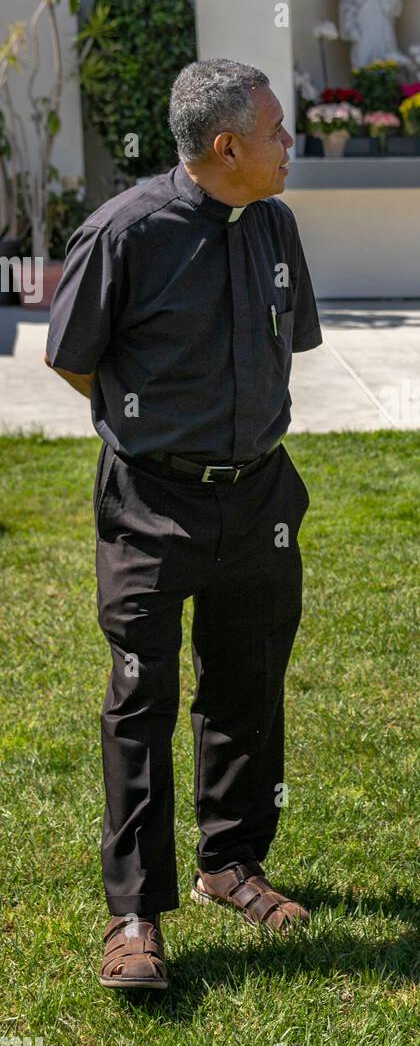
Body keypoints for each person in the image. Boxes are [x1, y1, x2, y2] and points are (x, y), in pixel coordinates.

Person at [44, 59, 322, 989]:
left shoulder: (277, 224)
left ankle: (231, 866)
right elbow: (75, 359)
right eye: (280, 131)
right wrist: (151, 431)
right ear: (227, 145)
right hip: (150, 505)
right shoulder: (124, 232)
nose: (293, 145)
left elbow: (290, 349)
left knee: (247, 686)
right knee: (140, 702)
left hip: (260, 500)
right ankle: (135, 913)